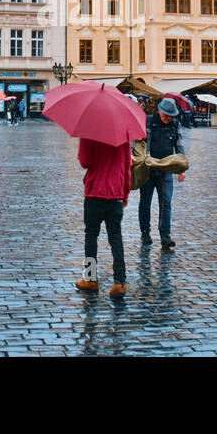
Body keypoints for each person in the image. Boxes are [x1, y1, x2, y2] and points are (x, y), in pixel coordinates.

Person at [74, 136, 131, 297]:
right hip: (115, 194)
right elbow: (127, 166)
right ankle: (120, 282)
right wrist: (124, 194)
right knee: (116, 238)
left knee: (91, 236)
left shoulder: (89, 133)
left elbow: (84, 162)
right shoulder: (123, 136)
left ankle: (91, 278)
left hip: (94, 193)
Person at [140, 97, 185, 250]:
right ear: (159, 110)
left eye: (171, 115)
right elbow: (137, 141)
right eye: (166, 115)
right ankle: (145, 233)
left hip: (166, 169)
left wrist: (181, 168)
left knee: (166, 203)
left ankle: (165, 236)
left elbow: (179, 146)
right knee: (145, 202)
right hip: (148, 168)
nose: (168, 118)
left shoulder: (176, 124)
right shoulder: (148, 122)